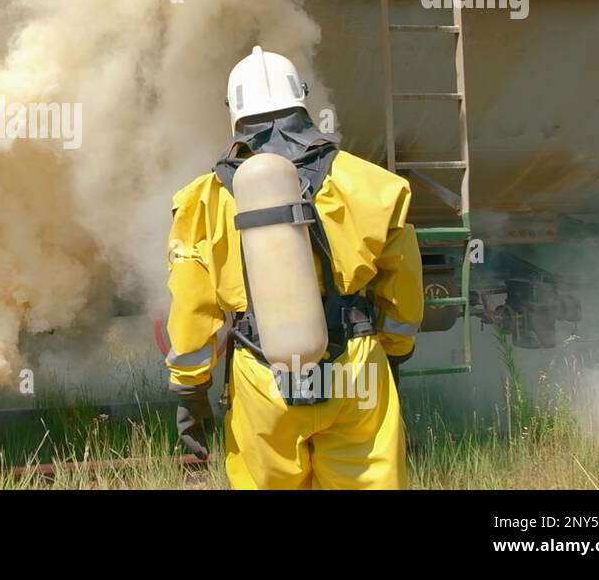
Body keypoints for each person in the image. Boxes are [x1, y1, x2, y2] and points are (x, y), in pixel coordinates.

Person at [164, 46, 423, 489]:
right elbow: (403, 293)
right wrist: (393, 357)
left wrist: (192, 390)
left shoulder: (201, 200)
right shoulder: (375, 185)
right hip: (355, 368)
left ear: (235, 113)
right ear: (302, 99)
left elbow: (192, 309)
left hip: (263, 374)